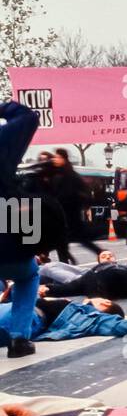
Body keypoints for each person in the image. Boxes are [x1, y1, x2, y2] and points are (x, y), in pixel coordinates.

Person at [0, 100, 42, 358]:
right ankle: (19, 338)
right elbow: (28, 117)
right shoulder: (3, 144)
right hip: (7, 232)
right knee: (28, 276)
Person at [0, 291, 127, 348]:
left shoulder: (89, 316)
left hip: (26, 316)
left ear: (104, 304)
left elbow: (120, 325)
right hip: (19, 312)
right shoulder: (79, 309)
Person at [42, 149, 102, 260]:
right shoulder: (60, 173)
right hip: (64, 215)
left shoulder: (69, 175)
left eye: (58, 157)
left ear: (64, 159)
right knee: (66, 241)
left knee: (71, 240)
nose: (55, 159)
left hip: (70, 214)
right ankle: (65, 261)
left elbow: (67, 194)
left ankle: (101, 253)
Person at [38, 253, 127, 302]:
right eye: (104, 257)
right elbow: (73, 287)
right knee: (49, 268)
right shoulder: (95, 272)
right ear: (98, 262)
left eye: (110, 256)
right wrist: (50, 290)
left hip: (125, 283)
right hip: (96, 281)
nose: (108, 257)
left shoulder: (124, 269)